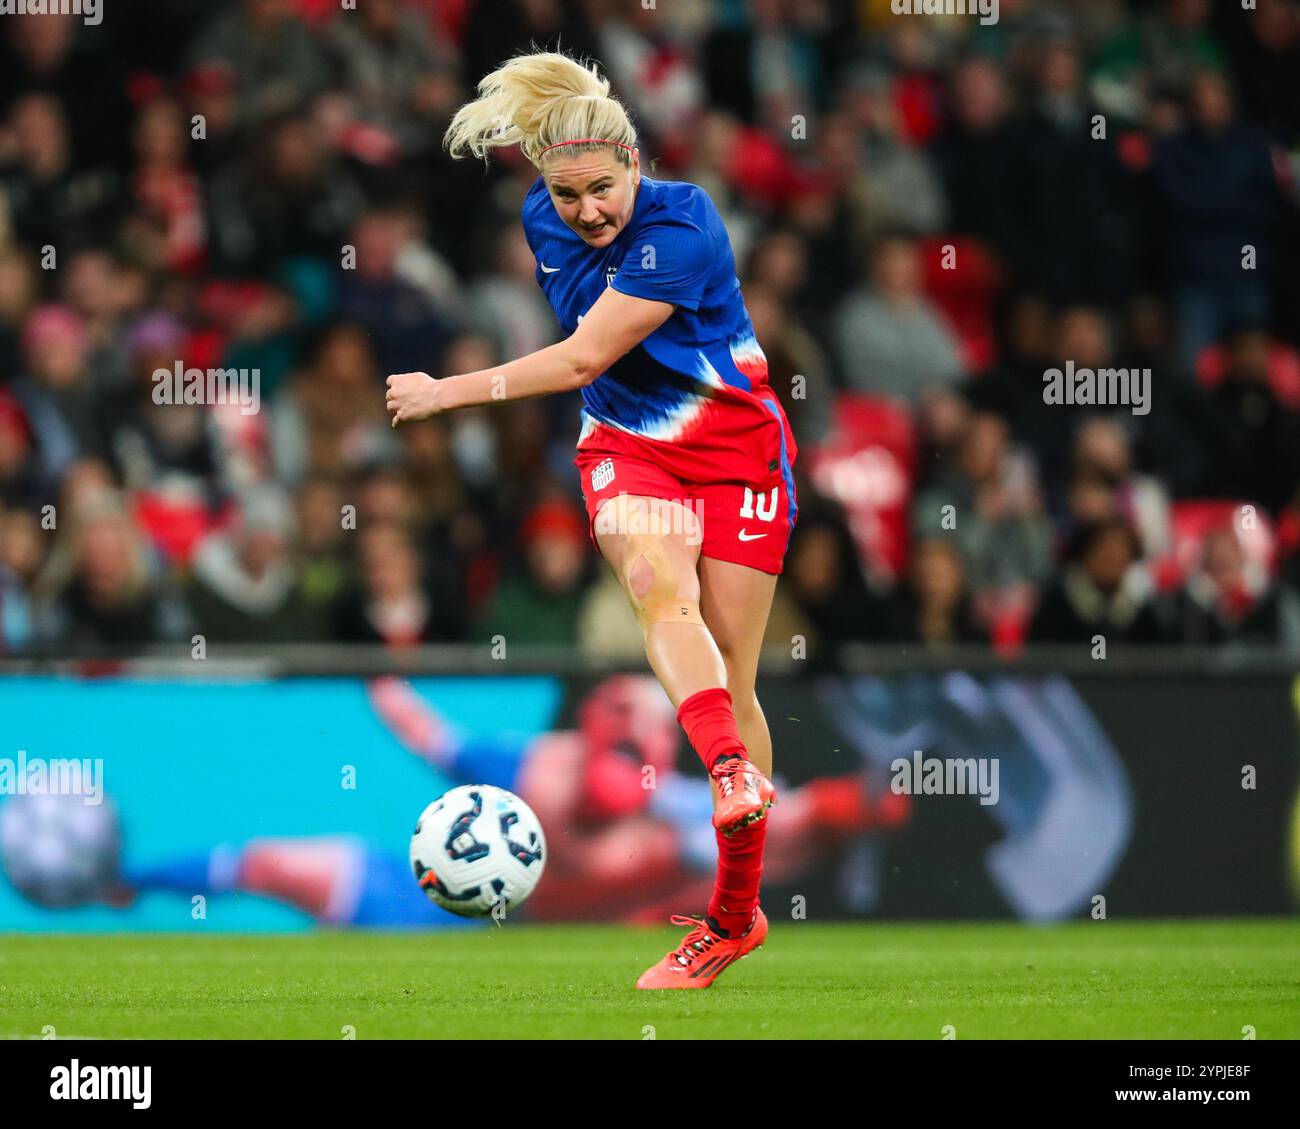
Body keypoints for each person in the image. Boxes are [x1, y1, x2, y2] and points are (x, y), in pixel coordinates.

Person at [384, 50, 799, 989]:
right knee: (659, 590)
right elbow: (595, 378)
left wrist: (446, 391)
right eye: (568, 195)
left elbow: (581, 356)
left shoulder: (683, 223)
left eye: (602, 190)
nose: (588, 212)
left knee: (735, 676)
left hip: (738, 451)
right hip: (629, 443)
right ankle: (729, 772)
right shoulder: (543, 217)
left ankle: (735, 918)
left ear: (635, 162)